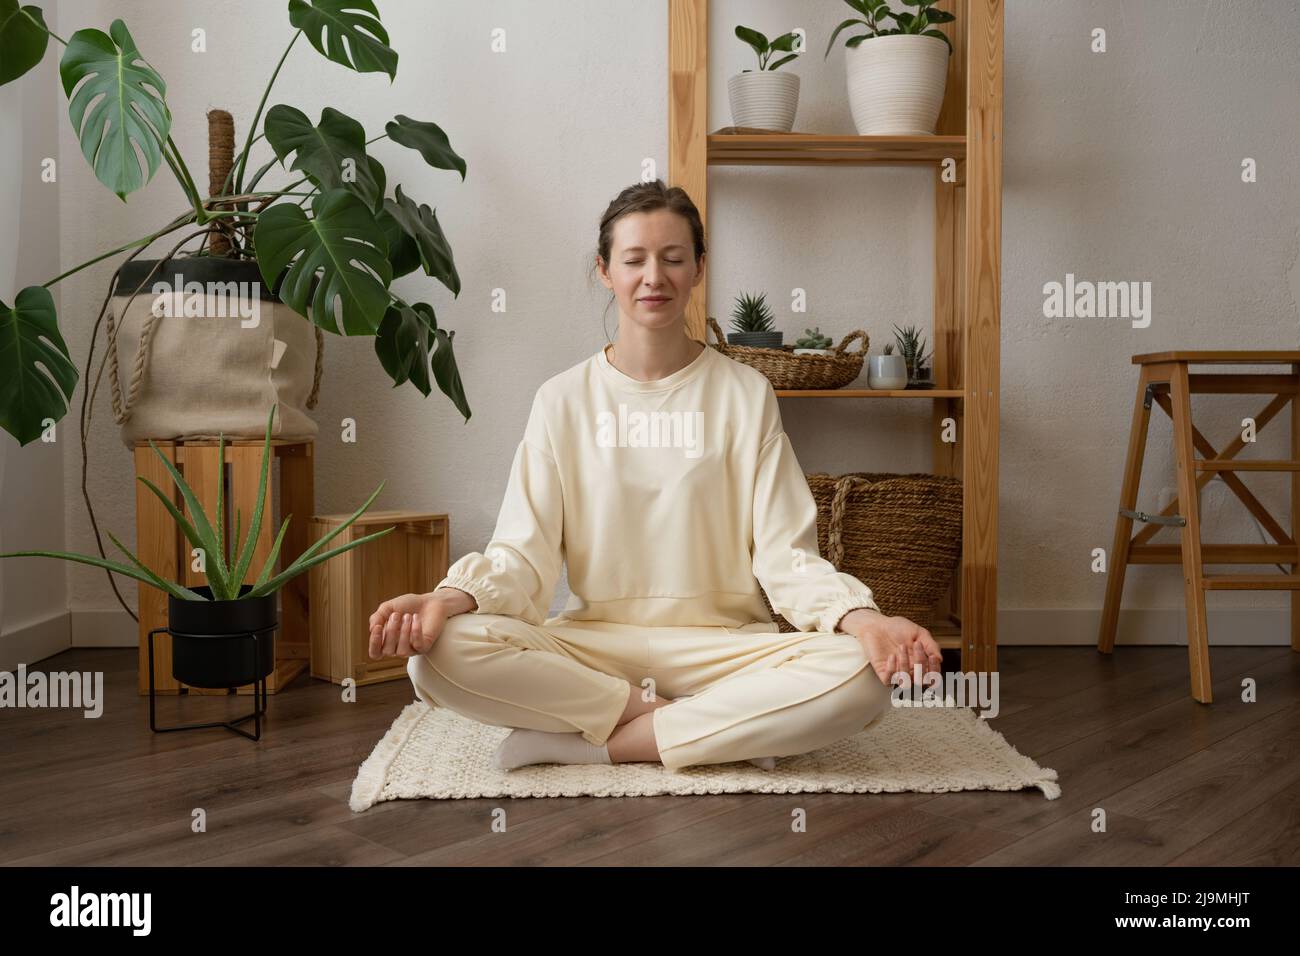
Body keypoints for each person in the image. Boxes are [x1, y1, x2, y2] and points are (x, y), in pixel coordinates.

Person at [368, 179, 942, 773]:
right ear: (604, 271)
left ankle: (594, 744)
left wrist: (864, 618)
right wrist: (446, 598)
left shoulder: (745, 394)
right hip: (595, 647)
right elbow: (522, 554)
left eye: (673, 259)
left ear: (697, 268)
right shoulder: (561, 400)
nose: (654, 277)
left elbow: (786, 558)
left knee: (859, 677)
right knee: (435, 656)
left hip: (725, 649)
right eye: (634, 260)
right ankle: (715, 725)